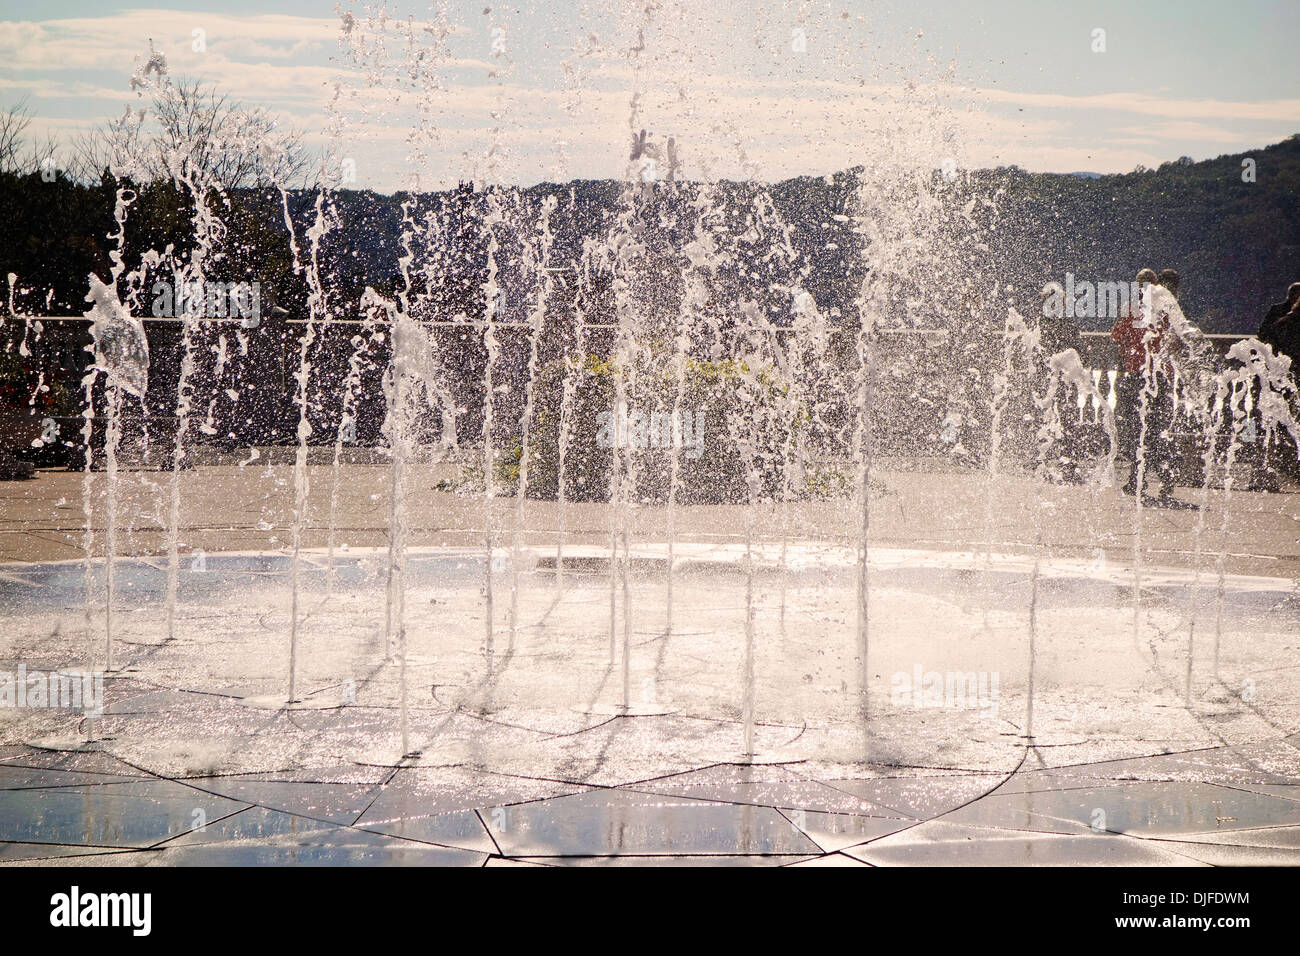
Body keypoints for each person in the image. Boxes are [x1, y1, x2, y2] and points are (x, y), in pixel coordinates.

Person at [1111, 268, 1177, 498]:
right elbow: (1173, 337)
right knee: (1156, 428)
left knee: (1139, 429)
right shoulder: (1165, 307)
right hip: (1160, 375)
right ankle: (1165, 476)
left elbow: (1117, 336)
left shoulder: (1131, 307)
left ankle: (1138, 479)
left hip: (1137, 376)